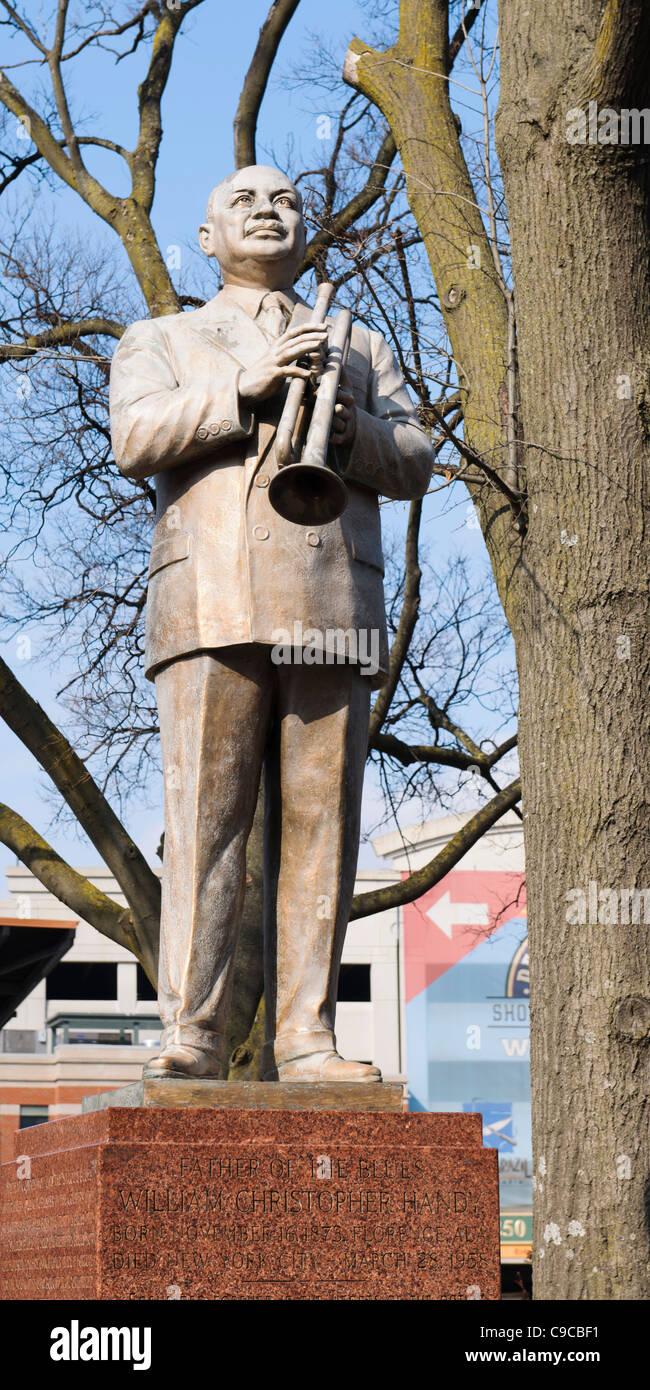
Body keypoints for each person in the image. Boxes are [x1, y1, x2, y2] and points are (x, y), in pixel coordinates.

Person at [109, 165, 433, 1082]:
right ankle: (194, 1033)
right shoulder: (163, 335)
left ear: (305, 230)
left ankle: (306, 1037)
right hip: (209, 597)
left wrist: (342, 424)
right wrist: (244, 390)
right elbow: (134, 439)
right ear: (207, 239)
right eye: (242, 201)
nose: (267, 209)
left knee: (321, 826)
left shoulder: (356, 341)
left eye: (285, 200)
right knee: (206, 823)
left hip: (330, 598)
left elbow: (414, 459)